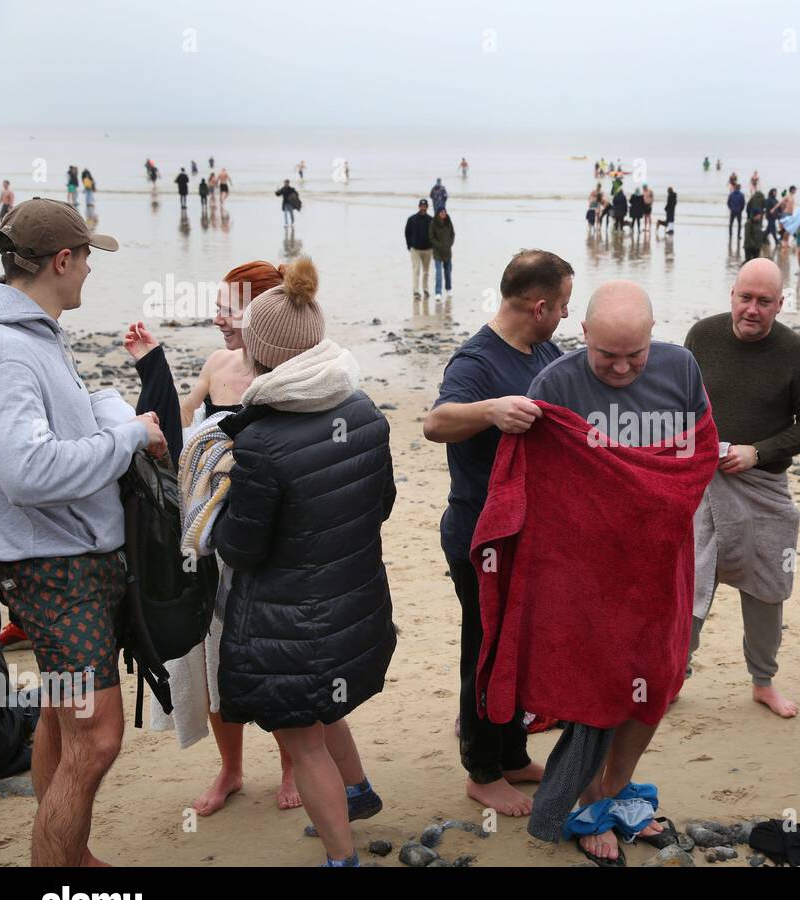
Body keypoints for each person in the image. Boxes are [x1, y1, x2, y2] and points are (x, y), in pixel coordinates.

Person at [508, 279, 714, 864]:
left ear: (653, 336)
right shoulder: (556, 383)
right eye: (608, 355)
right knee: (597, 685)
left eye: (635, 354)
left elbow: (700, 452)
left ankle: (615, 787)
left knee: (660, 678)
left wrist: (653, 500)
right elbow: (541, 483)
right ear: (584, 336)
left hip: (661, 559)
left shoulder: (682, 368)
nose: (622, 367)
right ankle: (587, 799)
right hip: (588, 572)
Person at [0, 199, 166, 865]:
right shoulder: (8, 348)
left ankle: (69, 851)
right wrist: (126, 437)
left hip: (58, 559)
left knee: (66, 724)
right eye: (88, 256)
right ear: (62, 261)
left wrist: (113, 409)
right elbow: (28, 471)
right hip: (54, 568)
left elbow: (65, 417)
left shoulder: (34, 332)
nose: (91, 269)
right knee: (98, 738)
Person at [213, 258, 396, 867]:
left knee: (300, 733)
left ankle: (341, 857)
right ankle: (358, 791)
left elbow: (242, 548)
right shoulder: (365, 411)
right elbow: (382, 503)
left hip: (289, 620)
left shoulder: (260, 441)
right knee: (326, 704)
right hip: (354, 598)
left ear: (262, 354)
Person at [122, 260, 306, 815]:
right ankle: (230, 768)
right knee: (212, 656)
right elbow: (175, 438)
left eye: (230, 306)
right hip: (210, 537)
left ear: (267, 310)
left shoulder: (292, 375)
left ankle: (294, 765)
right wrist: (153, 367)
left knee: (273, 657)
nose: (217, 314)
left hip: (269, 542)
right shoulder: (218, 363)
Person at [422, 250, 572, 815]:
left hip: (528, 537)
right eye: (561, 306)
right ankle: (481, 772)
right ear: (538, 306)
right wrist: (490, 411)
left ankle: (510, 755)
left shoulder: (545, 349)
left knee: (519, 651)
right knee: (484, 653)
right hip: (479, 537)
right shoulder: (475, 362)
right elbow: (436, 423)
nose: (563, 315)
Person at [684, 260, 800, 719]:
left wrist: (757, 452)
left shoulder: (795, 352)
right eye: (745, 298)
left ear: (780, 304)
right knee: (689, 581)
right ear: (732, 295)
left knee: (768, 585)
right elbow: (680, 403)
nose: (752, 309)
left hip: (764, 483)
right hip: (703, 482)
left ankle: (763, 681)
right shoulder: (701, 337)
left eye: (764, 302)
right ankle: (671, 675)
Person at [404, 198, 433, 300]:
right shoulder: (412, 219)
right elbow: (407, 233)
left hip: (428, 250)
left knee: (426, 271)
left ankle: (425, 289)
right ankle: (416, 291)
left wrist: (433, 246)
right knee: (416, 270)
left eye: (425, 206)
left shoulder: (431, 220)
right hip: (415, 249)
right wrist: (409, 245)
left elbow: (434, 234)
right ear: (419, 206)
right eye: (422, 206)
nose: (423, 208)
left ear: (427, 207)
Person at [429, 208, 455, 299]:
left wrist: (449, 243)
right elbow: (431, 237)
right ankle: (438, 292)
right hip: (437, 253)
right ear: (438, 213)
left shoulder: (448, 221)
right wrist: (439, 245)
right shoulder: (433, 223)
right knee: (438, 273)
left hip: (447, 252)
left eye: (444, 212)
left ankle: (448, 289)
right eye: (441, 212)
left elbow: (452, 234)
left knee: (448, 272)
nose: (443, 214)